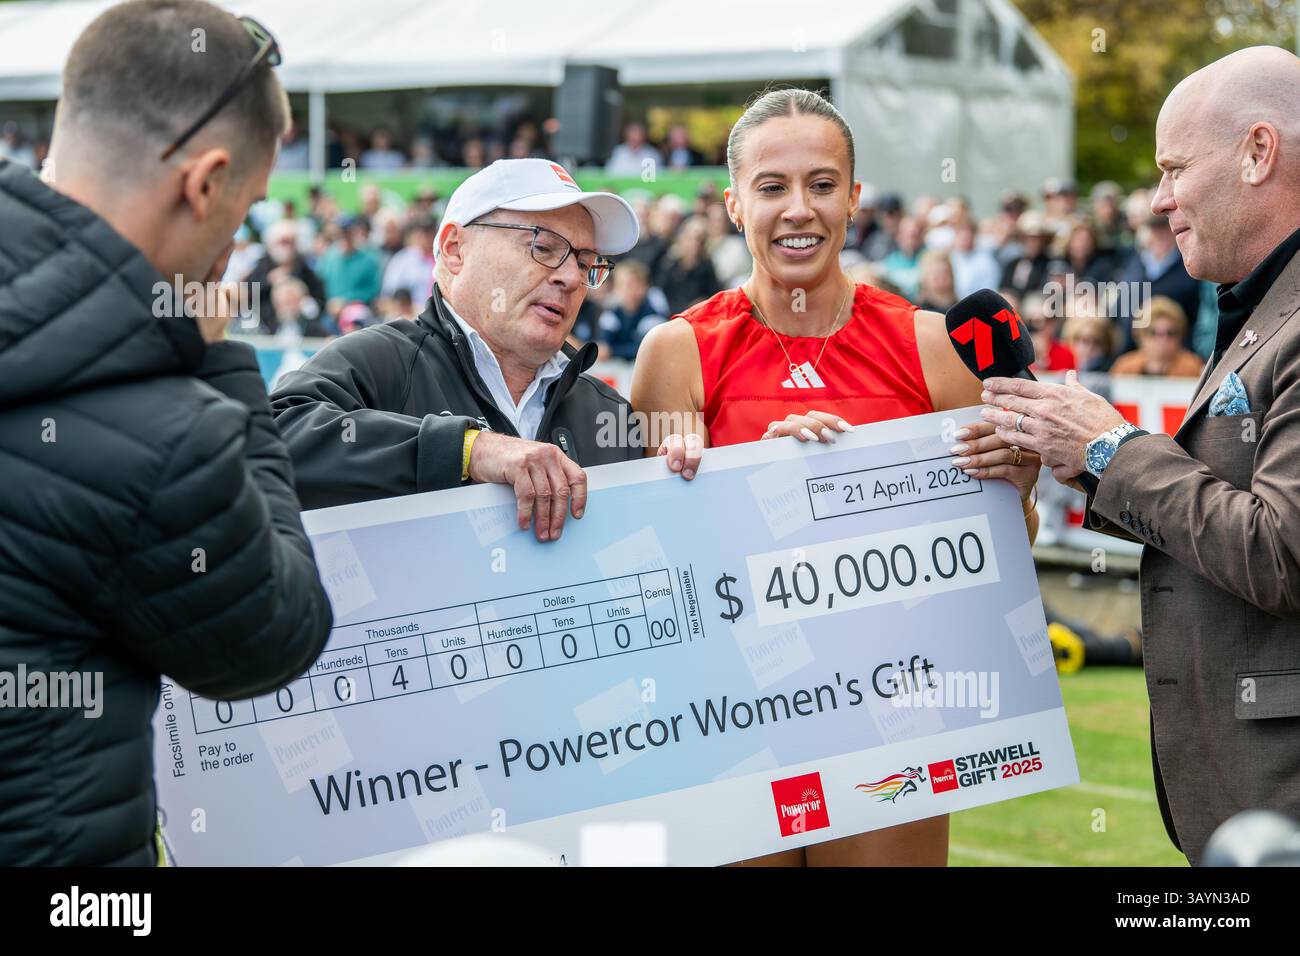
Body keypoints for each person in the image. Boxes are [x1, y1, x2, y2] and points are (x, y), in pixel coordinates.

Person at [631, 88, 1041, 868]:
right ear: (732, 203)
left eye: (822, 185)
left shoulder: (932, 344)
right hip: (735, 714)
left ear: (854, 200)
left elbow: (1002, 559)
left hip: (893, 713)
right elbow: (660, 564)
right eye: (772, 186)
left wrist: (1015, 488)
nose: (798, 209)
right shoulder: (679, 351)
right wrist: (760, 486)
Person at [0, 0, 332, 866]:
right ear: (205, 183)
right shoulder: (164, 438)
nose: (239, 239)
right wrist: (220, 370)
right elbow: (274, 634)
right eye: (248, 205)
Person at [979, 46, 1300, 865]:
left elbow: (1283, 552)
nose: (1158, 201)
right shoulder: (1262, 301)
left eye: (1174, 169)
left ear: (1258, 153)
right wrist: (1084, 457)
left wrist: (1112, 448)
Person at [270, 158, 648, 541]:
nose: (570, 277)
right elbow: (271, 439)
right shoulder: (382, 362)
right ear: (454, 249)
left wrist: (683, 474)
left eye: (586, 264)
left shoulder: (609, 413)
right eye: (543, 246)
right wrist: (468, 450)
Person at [1109, 296, 1205, 377]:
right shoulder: (1124, 367)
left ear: (1180, 335)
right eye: (1153, 332)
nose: (1162, 339)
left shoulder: (1194, 369)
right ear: (1140, 336)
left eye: (1170, 333)